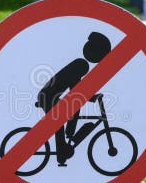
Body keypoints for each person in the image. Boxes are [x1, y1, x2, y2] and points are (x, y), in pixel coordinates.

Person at [36, 32, 112, 166]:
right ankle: (61, 155)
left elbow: (76, 90)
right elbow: (76, 90)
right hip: (48, 97)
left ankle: (64, 146)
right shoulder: (82, 65)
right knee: (58, 122)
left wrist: (89, 97)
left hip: (50, 96)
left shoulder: (81, 64)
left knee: (69, 112)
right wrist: (90, 97)